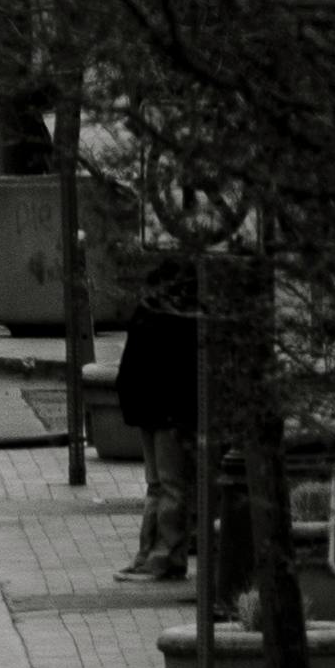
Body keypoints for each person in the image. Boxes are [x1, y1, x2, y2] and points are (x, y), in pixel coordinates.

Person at [114, 249, 200, 580]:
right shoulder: (181, 315)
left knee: (162, 485)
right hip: (166, 409)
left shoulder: (152, 310)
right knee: (166, 484)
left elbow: (136, 364)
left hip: (156, 408)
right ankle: (156, 555)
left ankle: (157, 555)